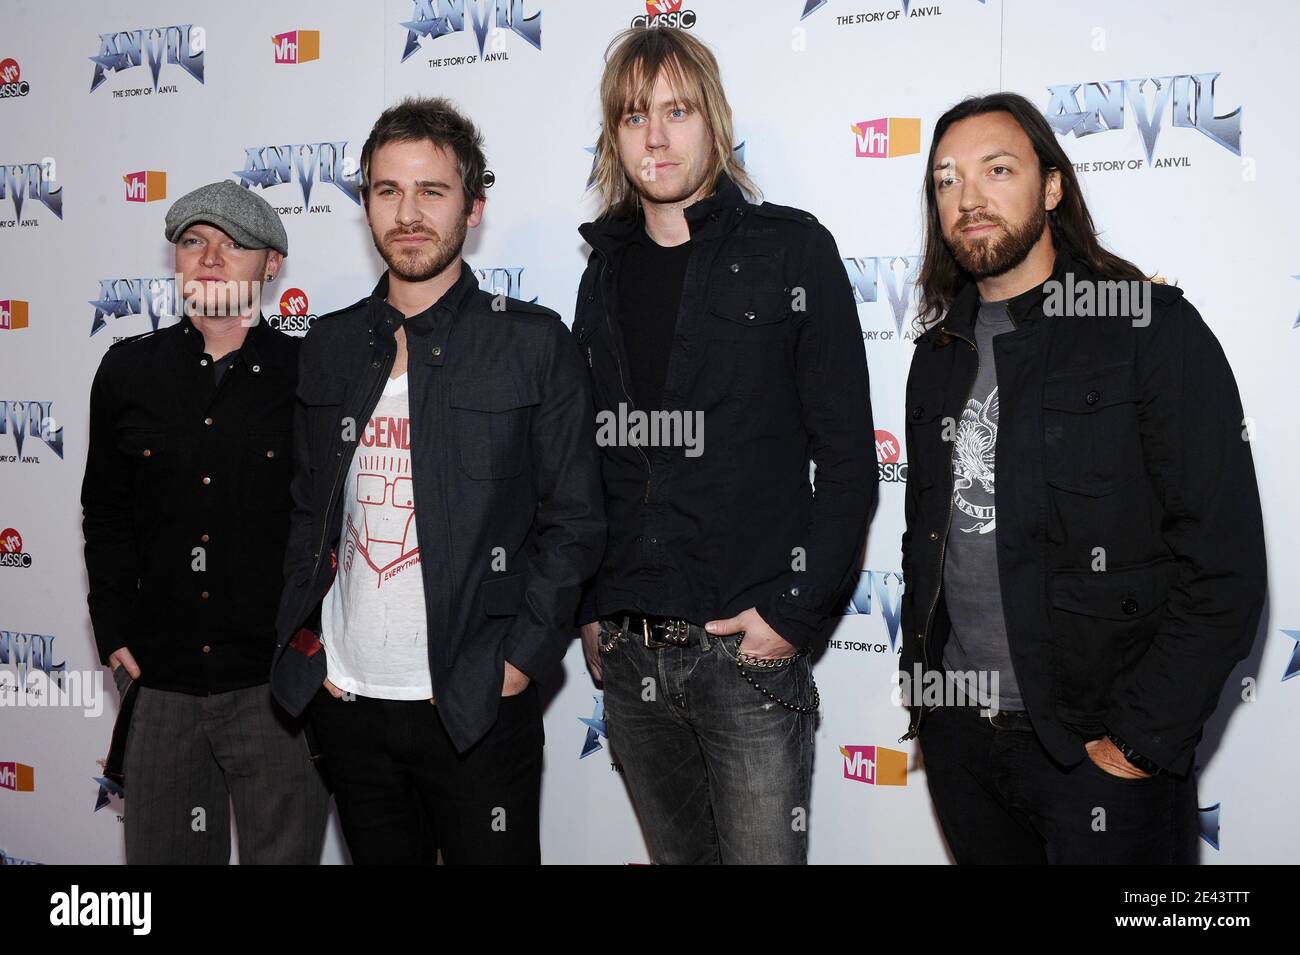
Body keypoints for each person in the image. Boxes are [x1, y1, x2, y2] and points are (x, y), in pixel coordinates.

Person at [899, 92, 1267, 864]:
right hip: (962, 742)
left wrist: (1136, 743)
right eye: (946, 179)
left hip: (1096, 755)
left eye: (997, 170)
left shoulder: (1149, 329)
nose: (969, 197)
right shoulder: (938, 354)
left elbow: (1225, 569)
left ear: (1053, 187)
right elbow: (928, 535)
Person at [270, 96, 605, 865]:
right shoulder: (326, 346)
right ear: (365, 206)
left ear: (474, 207)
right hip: (347, 701)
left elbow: (576, 521)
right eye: (388, 191)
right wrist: (307, 647)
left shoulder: (531, 343)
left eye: (432, 190)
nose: (408, 213)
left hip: (473, 708)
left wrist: (517, 662)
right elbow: (304, 509)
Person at [575, 28, 876, 864]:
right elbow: (589, 459)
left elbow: (850, 455)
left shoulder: (791, 247)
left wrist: (793, 613)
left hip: (746, 655)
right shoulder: (600, 273)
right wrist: (592, 604)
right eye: (635, 116)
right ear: (614, 135)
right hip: (631, 660)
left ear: (714, 121)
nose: (657, 136)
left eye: (677, 111)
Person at [83, 180, 329, 864]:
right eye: (194, 241)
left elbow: (333, 523)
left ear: (271, 265)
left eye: (234, 244)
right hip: (161, 683)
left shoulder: (311, 374)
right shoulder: (128, 371)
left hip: (275, 687)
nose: (211, 257)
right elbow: (106, 511)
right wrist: (112, 626)